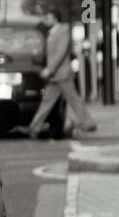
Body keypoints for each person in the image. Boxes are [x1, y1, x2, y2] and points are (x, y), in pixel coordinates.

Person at [26, 8, 96, 138]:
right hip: (55, 77)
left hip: (62, 74)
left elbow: (60, 53)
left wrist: (49, 69)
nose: (46, 20)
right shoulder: (52, 33)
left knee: (73, 100)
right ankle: (34, 127)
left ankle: (88, 123)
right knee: (47, 101)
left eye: (48, 18)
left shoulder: (63, 31)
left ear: (55, 18)